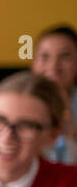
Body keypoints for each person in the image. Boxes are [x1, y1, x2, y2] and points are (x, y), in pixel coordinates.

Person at [31, 23, 77, 164]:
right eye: (45, 56)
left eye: (65, 56)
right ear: (33, 63)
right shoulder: (20, 102)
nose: (53, 66)